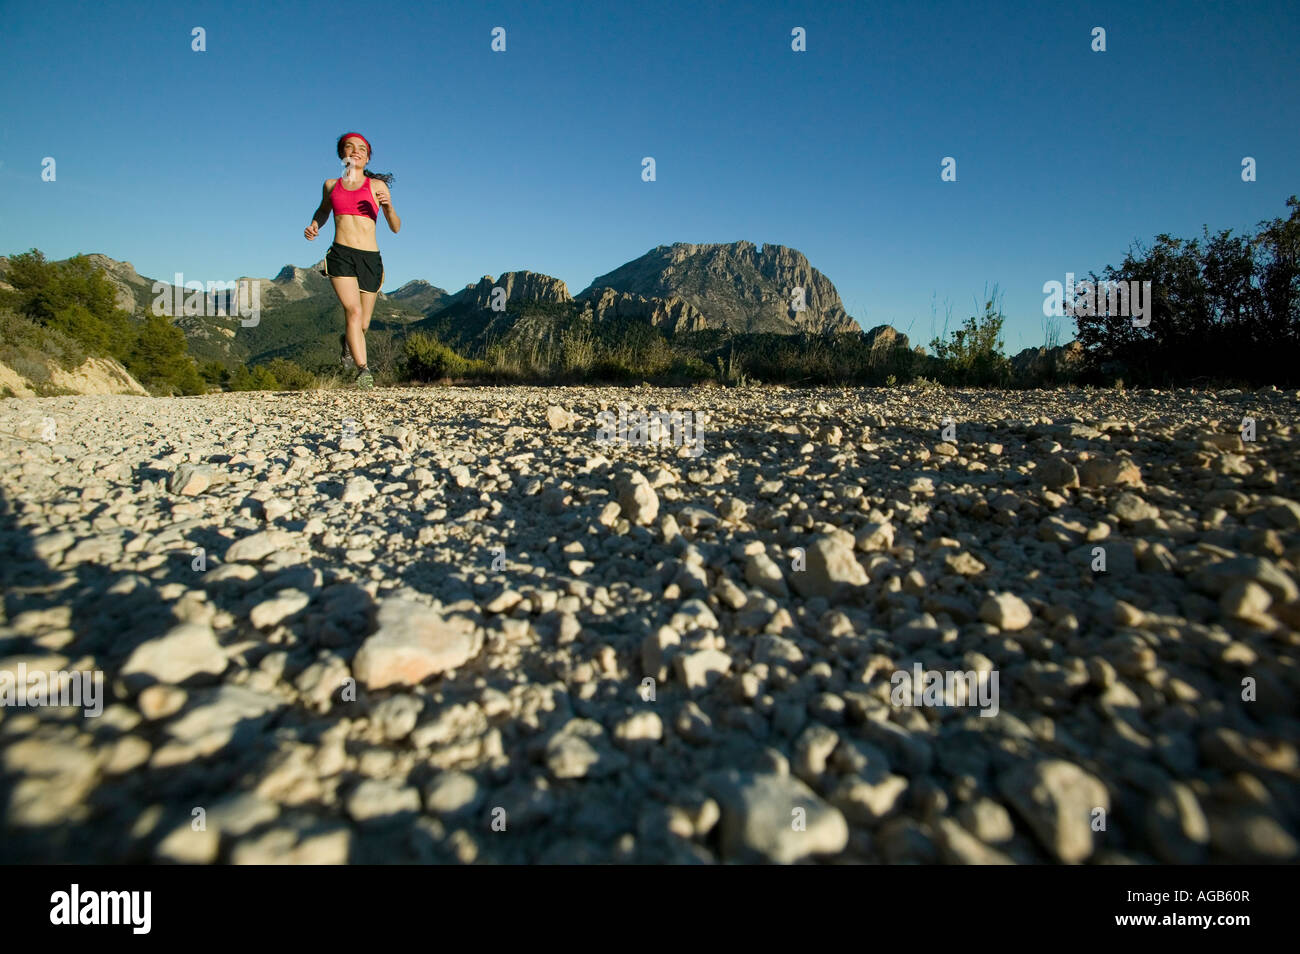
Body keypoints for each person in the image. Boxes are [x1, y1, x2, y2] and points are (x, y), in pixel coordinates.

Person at [304, 132, 401, 389]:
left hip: (370, 258)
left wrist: (388, 207)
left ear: (367, 158)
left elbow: (396, 228)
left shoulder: (377, 187)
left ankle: (348, 343)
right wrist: (315, 225)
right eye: (350, 147)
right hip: (341, 254)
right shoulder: (330, 185)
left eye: (361, 149)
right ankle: (364, 371)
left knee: (364, 323)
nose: (355, 151)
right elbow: (323, 210)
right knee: (353, 311)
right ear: (342, 155)